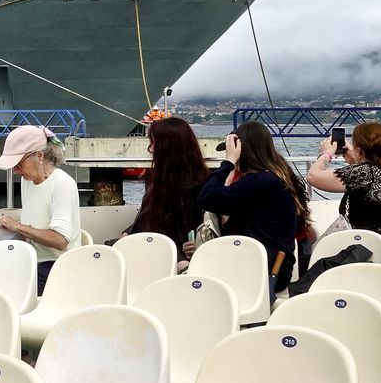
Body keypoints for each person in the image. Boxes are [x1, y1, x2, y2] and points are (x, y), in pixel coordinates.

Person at [197, 120, 309, 293]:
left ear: (244, 152)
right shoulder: (274, 178)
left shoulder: (261, 182)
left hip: (264, 270)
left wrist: (228, 164)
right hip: (270, 265)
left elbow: (207, 198)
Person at [306, 122, 381, 267]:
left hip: (360, 256)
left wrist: (326, 153)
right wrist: (355, 160)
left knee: (304, 264)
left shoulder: (367, 172)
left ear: (359, 151)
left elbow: (313, 177)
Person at [0, 125, 81, 294]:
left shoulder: (62, 184)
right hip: (34, 259)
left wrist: (18, 227)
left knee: (3, 288)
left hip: (58, 265)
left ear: (39, 155)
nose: (16, 171)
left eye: (18, 165)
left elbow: (60, 240)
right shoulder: (28, 180)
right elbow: (33, 222)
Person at [121, 117, 206, 263]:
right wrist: (127, 233)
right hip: (151, 247)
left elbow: (190, 228)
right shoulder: (158, 183)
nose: (151, 148)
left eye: (154, 143)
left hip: (167, 253)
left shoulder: (196, 188)